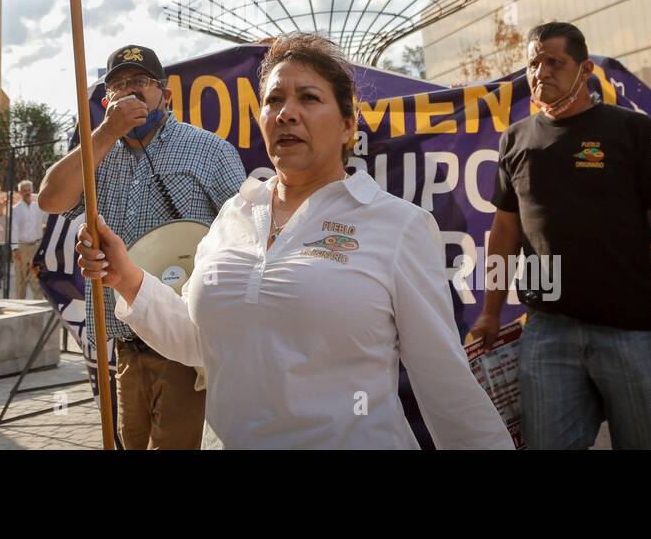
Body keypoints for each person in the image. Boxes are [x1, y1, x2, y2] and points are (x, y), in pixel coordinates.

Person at [76, 33, 512, 450]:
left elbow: (445, 382)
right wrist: (127, 277)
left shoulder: (396, 225)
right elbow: (201, 343)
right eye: (273, 100)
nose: (286, 113)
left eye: (309, 98)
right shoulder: (234, 215)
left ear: (347, 124)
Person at [472, 21, 651, 450]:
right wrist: (491, 311)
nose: (541, 72)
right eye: (533, 63)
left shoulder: (638, 133)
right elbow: (504, 232)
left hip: (630, 331)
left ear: (585, 69)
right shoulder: (514, 139)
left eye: (555, 62)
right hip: (546, 333)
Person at [42, 44, 247, 450]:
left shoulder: (210, 150)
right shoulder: (96, 156)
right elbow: (50, 199)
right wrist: (106, 132)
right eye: (117, 85)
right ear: (106, 101)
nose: (128, 92)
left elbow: (246, 238)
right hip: (127, 344)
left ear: (165, 95)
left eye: (139, 82)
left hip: (187, 347)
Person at [11, 180, 45, 300]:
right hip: (22, 247)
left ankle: (37, 303)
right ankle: (21, 303)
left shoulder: (38, 207)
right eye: (24, 190)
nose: (27, 193)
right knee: (20, 277)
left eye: (28, 190)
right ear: (20, 192)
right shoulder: (16, 209)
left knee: (36, 276)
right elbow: (13, 229)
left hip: (36, 246)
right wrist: (15, 248)